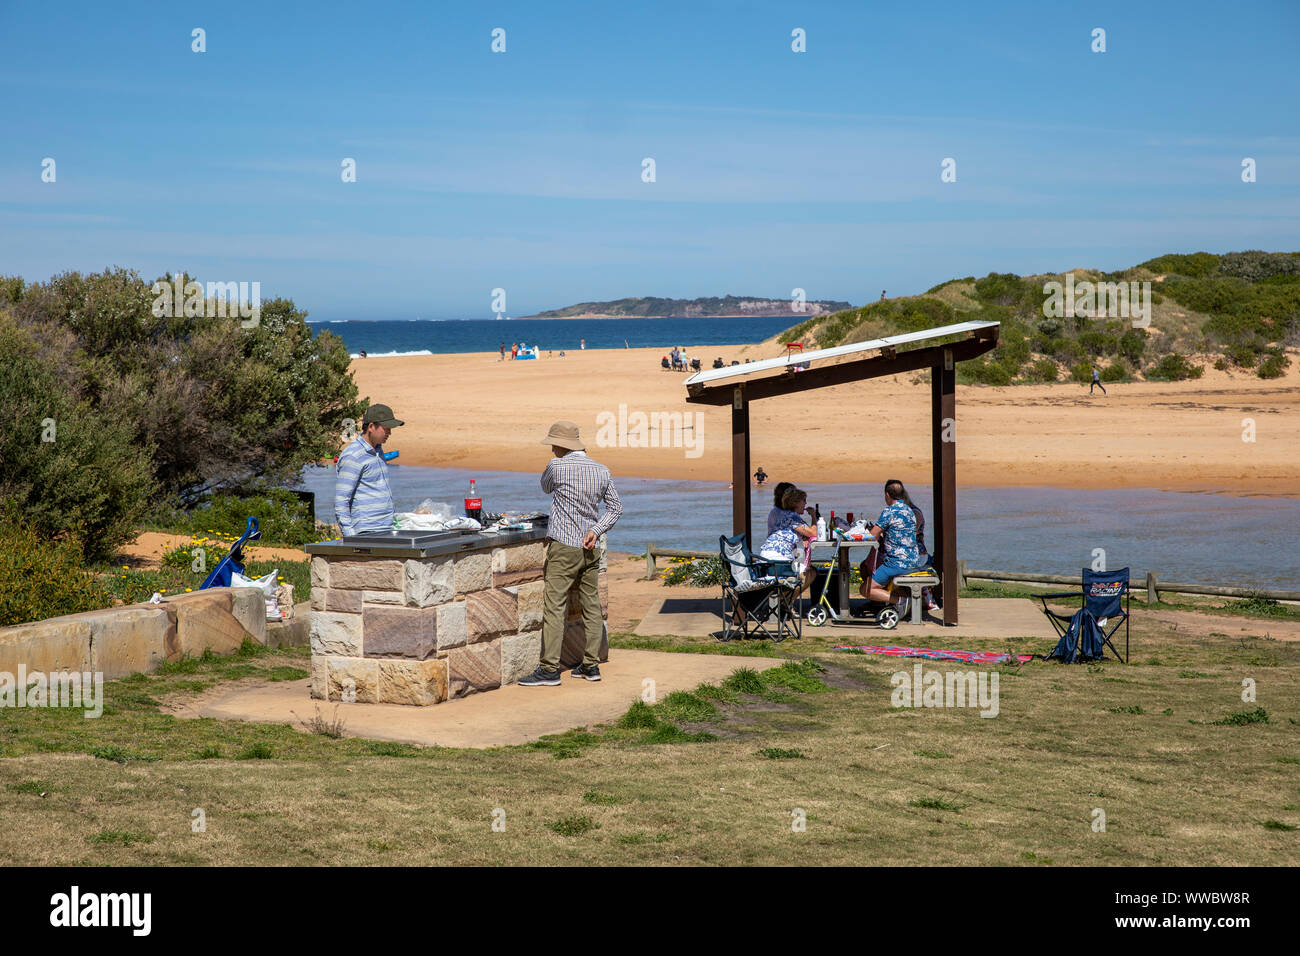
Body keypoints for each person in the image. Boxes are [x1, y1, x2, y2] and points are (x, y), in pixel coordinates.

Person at [520, 421, 623, 687]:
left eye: (554, 444)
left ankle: (550, 669)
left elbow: (546, 487)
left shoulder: (556, 466)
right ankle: (591, 665)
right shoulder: (602, 470)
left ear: (561, 445)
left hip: (564, 546)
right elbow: (616, 508)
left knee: (555, 606)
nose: (552, 448)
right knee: (591, 605)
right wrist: (596, 529)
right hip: (591, 546)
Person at [334, 404, 404, 536]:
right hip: (365, 531)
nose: (389, 432)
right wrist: (351, 536)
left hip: (385, 528)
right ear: (371, 427)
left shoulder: (378, 450)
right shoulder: (353, 456)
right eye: (386, 428)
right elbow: (341, 500)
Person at [858, 479, 925, 610]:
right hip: (914, 561)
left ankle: (900, 600)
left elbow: (872, 536)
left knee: (865, 589)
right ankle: (896, 601)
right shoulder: (910, 511)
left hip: (896, 563)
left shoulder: (889, 511)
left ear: (887, 495)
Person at [757, 485, 819, 595]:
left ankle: (784, 602)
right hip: (778, 562)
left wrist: (804, 536)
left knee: (806, 570)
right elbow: (813, 533)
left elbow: (804, 532)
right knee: (811, 573)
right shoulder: (792, 517)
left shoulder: (785, 514)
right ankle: (787, 601)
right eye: (803, 500)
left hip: (766, 559)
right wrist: (814, 516)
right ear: (795, 503)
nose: (805, 503)